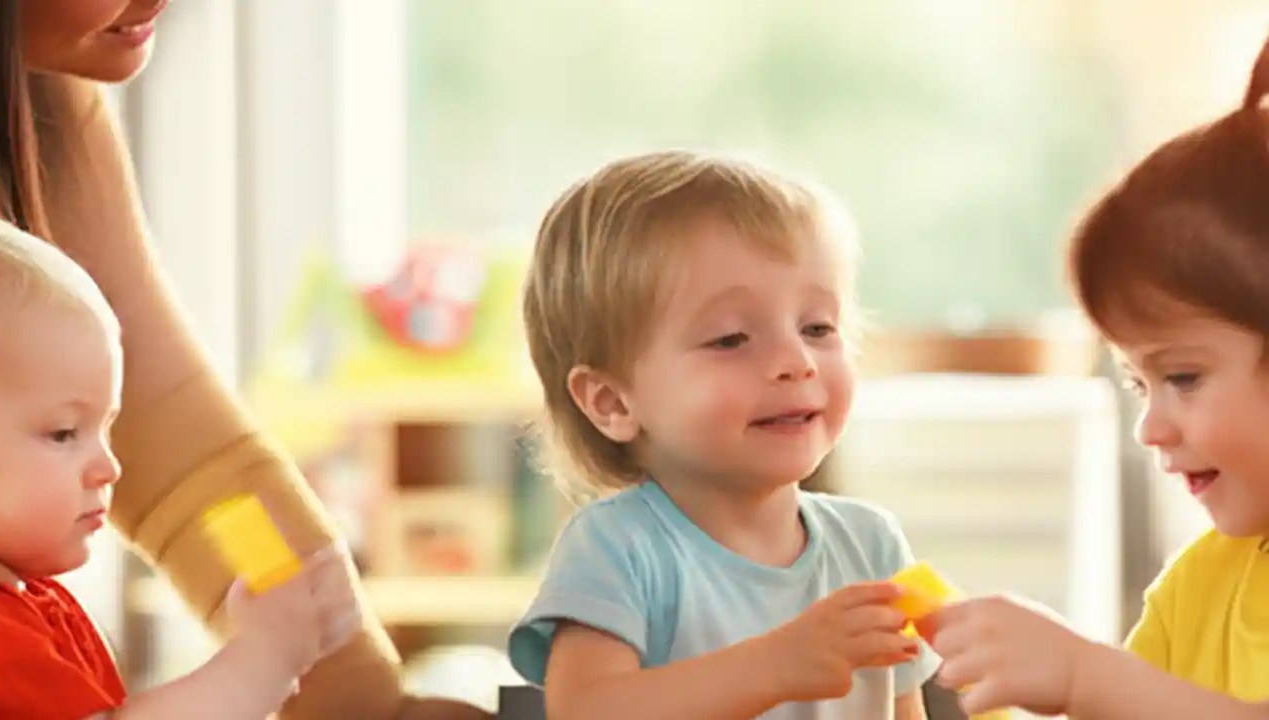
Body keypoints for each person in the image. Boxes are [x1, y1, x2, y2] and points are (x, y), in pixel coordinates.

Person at [0, 2, 487, 717]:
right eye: (66, 435)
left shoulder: (44, 100)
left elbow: (199, 485)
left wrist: (362, 702)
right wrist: (261, 665)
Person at [508, 150, 939, 719]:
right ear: (612, 401)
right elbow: (585, 711)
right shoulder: (618, 549)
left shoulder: (872, 543)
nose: (796, 360)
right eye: (731, 338)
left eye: (818, 327)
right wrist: (775, 666)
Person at [925, 33, 1269, 719]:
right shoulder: (1197, 589)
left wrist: (1087, 677)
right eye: (1140, 385)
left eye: (1183, 376)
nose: (1150, 426)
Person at [0, 218, 364, 717]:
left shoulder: (28, 604)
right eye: (63, 433)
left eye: (106, 428)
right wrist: (260, 663)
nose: (109, 466)